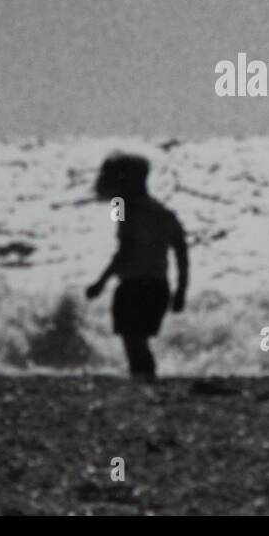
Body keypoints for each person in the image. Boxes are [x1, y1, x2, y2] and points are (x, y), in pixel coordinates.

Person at [85, 153, 188, 381]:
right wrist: (180, 290)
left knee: (134, 343)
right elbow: (181, 250)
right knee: (137, 342)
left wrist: (101, 282)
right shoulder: (163, 212)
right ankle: (146, 383)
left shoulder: (124, 208)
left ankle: (145, 384)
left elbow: (124, 250)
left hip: (134, 287)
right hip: (158, 286)